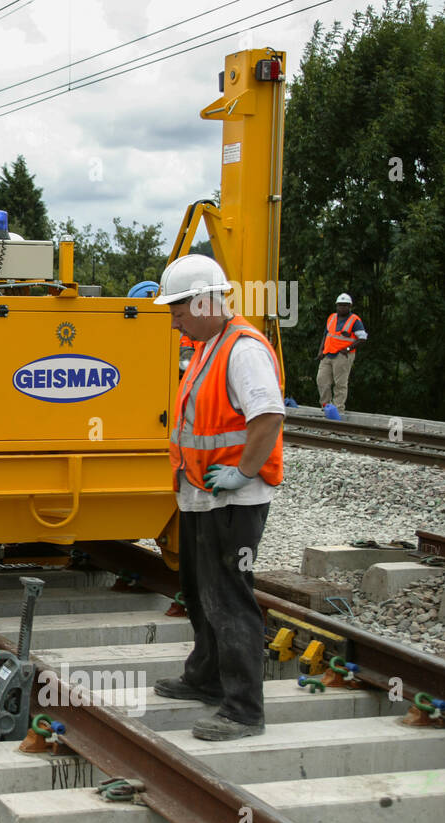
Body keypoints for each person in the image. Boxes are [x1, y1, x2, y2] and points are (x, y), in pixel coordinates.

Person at [153, 254, 285, 741]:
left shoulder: (242, 349)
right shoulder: (208, 344)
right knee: (198, 590)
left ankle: (243, 708)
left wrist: (243, 471)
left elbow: (268, 415)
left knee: (229, 597)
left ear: (207, 300)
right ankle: (206, 678)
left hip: (234, 499)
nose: (175, 321)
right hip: (202, 497)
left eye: (179, 310)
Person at [315, 292, 367, 413]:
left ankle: (338, 409)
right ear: (336, 306)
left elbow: (363, 338)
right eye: (340, 305)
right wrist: (320, 350)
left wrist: (348, 349)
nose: (342, 307)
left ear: (350, 306)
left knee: (340, 384)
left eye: (345, 305)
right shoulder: (332, 317)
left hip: (342, 355)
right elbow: (326, 334)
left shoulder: (355, 320)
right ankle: (326, 406)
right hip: (328, 354)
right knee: (322, 381)